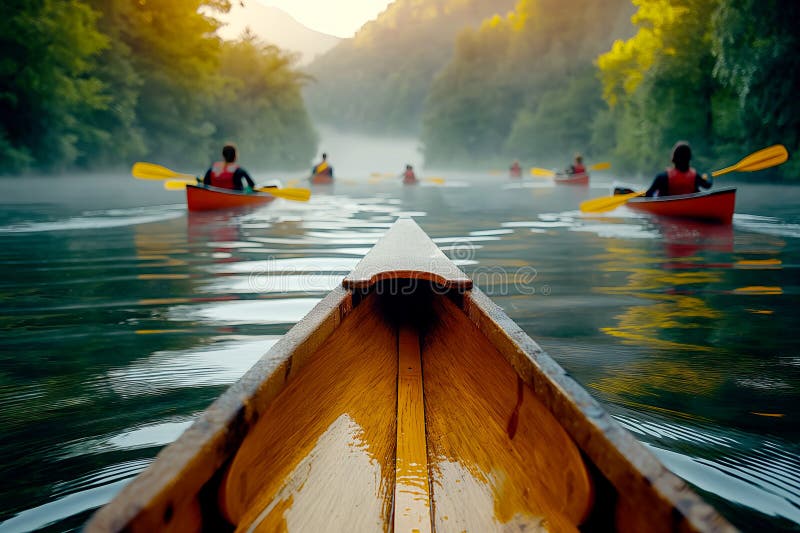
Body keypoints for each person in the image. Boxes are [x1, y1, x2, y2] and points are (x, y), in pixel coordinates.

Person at [645, 141, 711, 197]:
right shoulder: (696, 176)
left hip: (666, 208)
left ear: (674, 157)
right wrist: (709, 176)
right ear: (689, 158)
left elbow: (648, 194)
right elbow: (708, 185)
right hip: (688, 206)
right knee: (697, 190)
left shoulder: (662, 177)